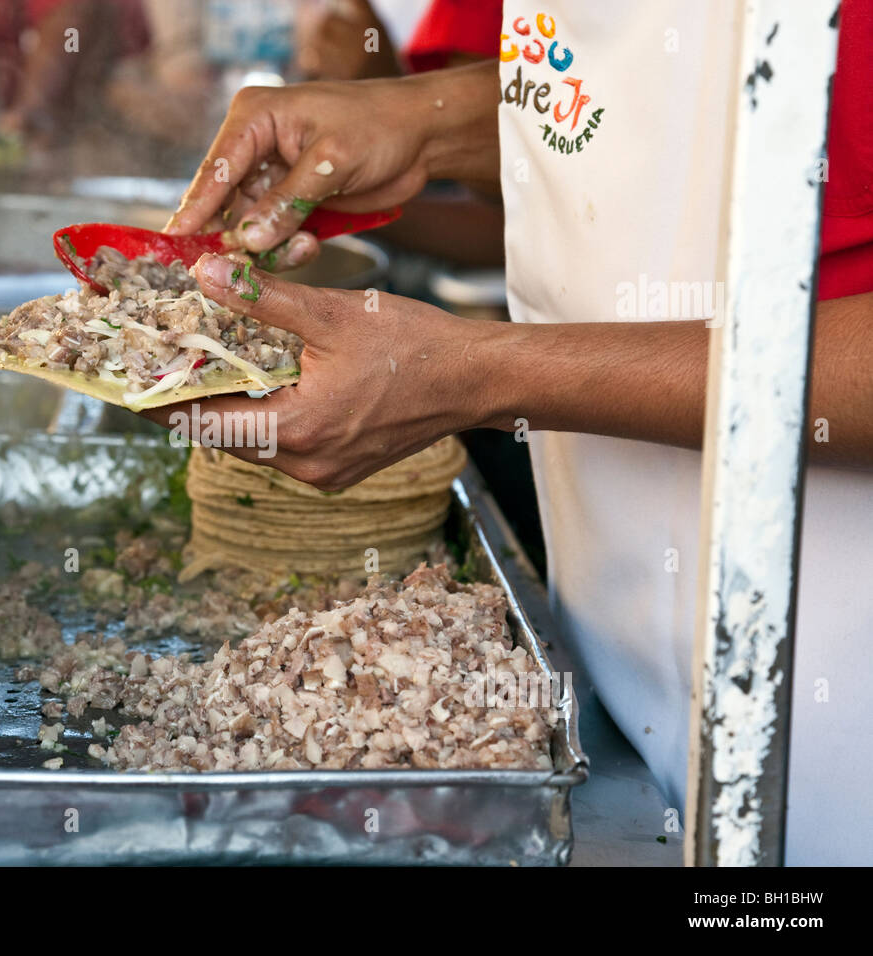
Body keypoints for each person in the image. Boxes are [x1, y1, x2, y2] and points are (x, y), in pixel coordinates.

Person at [148, 1, 873, 864]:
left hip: (833, 721)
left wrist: (488, 375)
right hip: (601, 675)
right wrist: (425, 121)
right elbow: (648, 122)